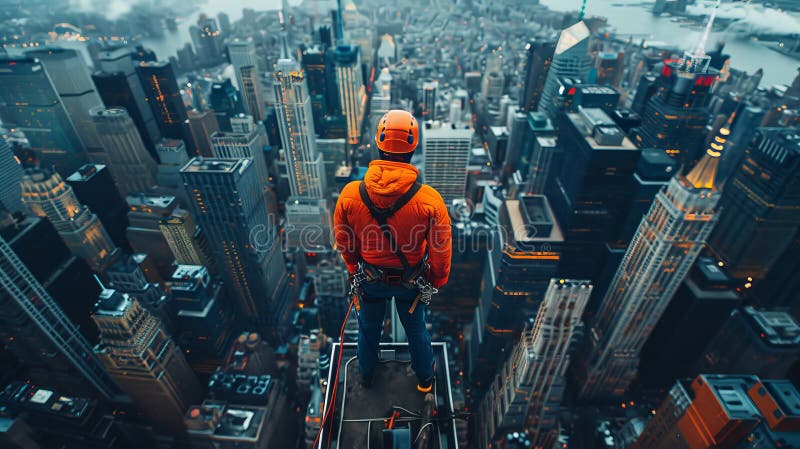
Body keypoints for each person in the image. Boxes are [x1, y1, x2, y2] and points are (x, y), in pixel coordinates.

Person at [333, 109, 452, 393]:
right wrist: (436, 280)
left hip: (371, 281)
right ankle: (425, 382)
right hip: (411, 282)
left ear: (378, 144)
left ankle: (367, 377)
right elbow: (441, 251)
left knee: (368, 331)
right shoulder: (430, 200)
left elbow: (345, 243)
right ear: (413, 149)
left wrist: (353, 270)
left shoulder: (350, 195)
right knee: (416, 331)